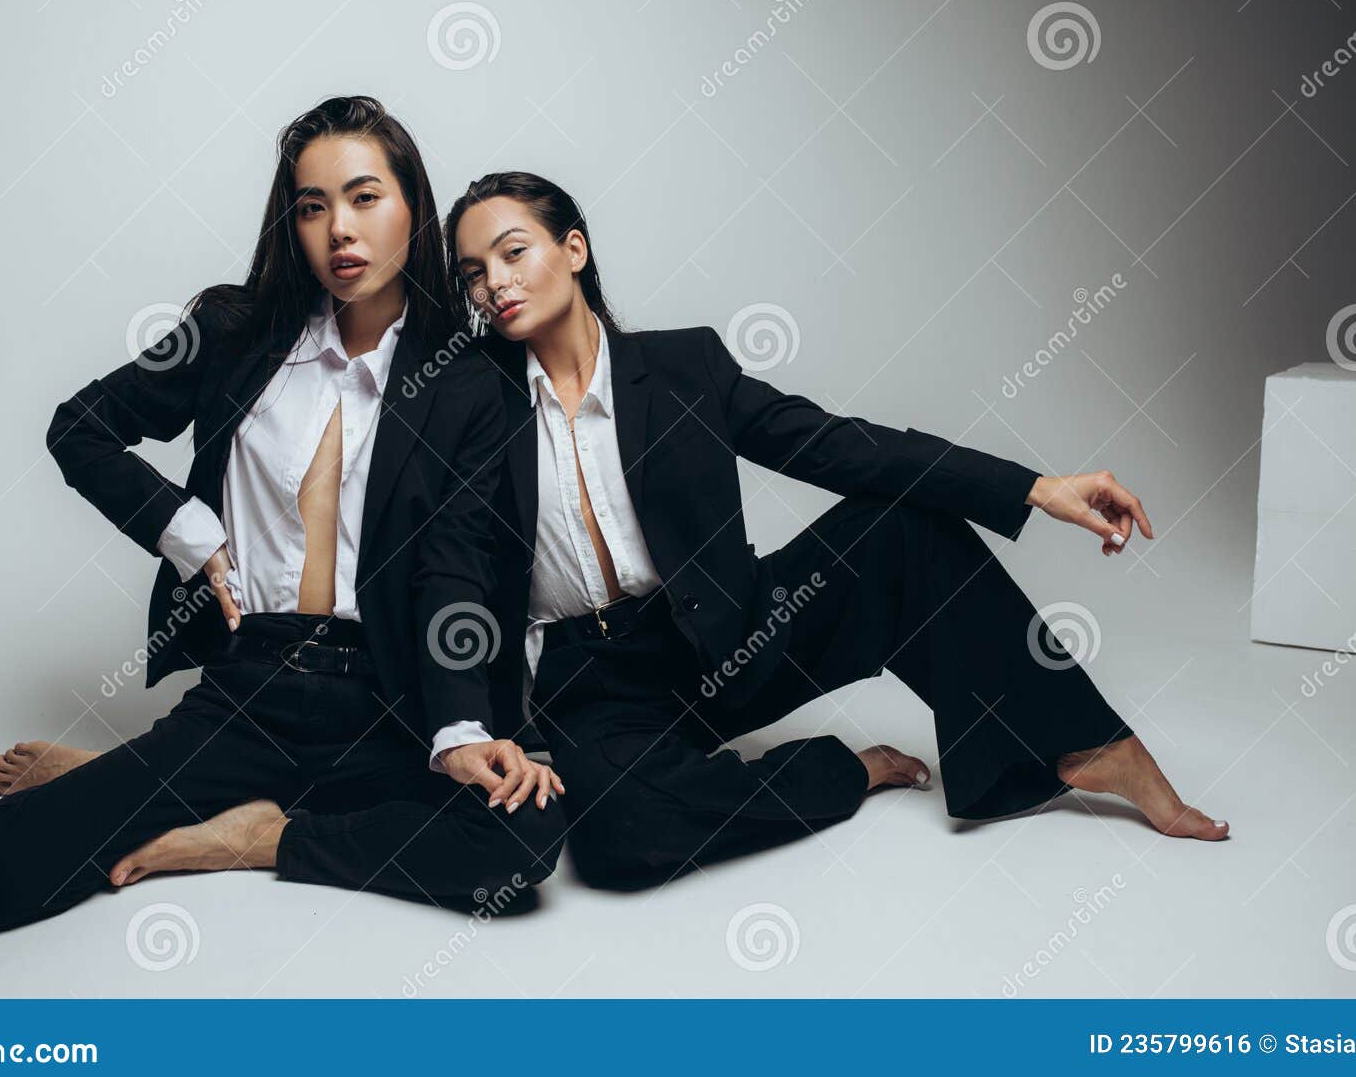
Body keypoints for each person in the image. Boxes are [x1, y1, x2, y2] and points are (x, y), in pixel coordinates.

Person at [443, 170, 1228, 891]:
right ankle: (847, 772)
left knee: (902, 530)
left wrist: (1036, 486)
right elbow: (453, 568)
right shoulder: (472, 403)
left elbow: (841, 446)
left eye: (513, 252)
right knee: (619, 839)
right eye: (475, 272)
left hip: (730, 639)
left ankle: (1092, 747)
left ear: (573, 247)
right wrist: (469, 721)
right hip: (596, 687)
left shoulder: (684, 368)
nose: (495, 283)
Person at [0, 99, 562, 931]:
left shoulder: (472, 382)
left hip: (389, 702)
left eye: (365, 197)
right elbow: (79, 428)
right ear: (292, 222)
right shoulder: (226, 329)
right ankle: (137, 775)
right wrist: (190, 534)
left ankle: (260, 836)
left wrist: (457, 728)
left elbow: (455, 563)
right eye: (313, 206)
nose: (340, 228)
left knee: (522, 838)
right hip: (247, 690)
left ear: (414, 205)